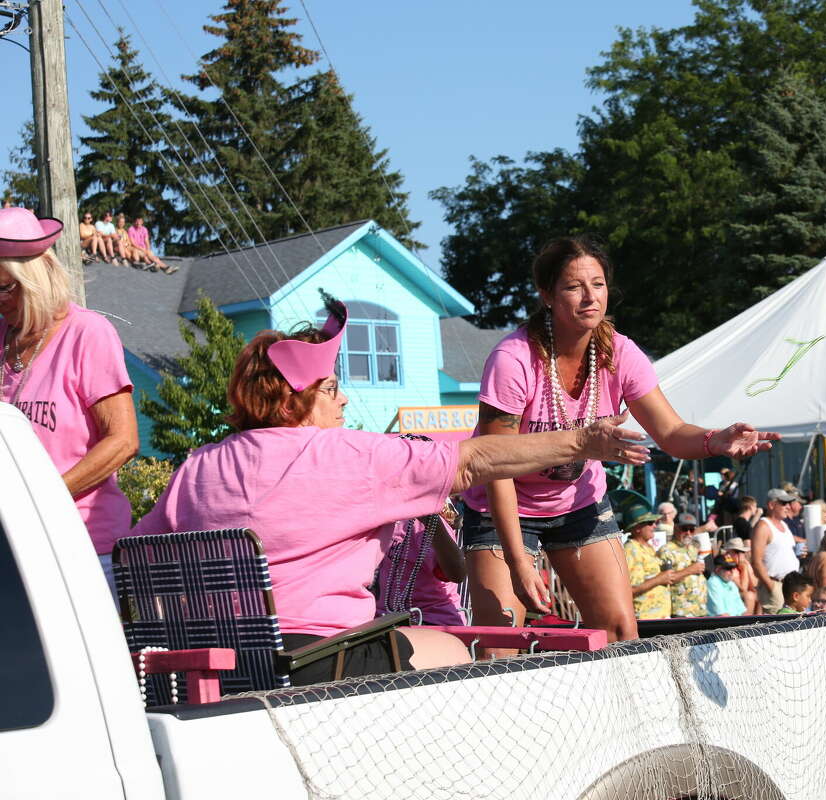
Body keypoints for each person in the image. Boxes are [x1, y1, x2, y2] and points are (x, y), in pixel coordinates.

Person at [133, 296, 652, 683]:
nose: (343, 402)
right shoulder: (347, 455)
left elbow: (133, 557)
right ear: (293, 404)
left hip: (212, 668)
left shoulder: (196, 467)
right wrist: (583, 439)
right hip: (319, 662)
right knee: (457, 653)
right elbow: (476, 460)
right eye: (331, 388)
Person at [461, 236, 779, 644]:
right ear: (546, 294)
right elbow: (493, 463)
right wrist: (518, 560)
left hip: (578, 504)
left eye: (598, 284)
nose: (589, 296)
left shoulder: (620, 353)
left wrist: (716, 440)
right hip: (501, 506)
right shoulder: (514, 359)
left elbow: (671, 432)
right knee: (500, 641)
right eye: (573, 286)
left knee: (620, 631)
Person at [0, 207, 138, 595]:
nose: (0, 301)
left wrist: (44, 500)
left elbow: (123, 440)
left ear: (36, 276)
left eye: (4, 288)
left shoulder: (86, 333)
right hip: (14, 548)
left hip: (81, 548)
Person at [376, 505, 466, 626]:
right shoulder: (386, 518)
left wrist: (430, 520)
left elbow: (457, 574)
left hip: (432, 620)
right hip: (387, 618)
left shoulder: (426, 525)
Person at [750, 487, 801, 613]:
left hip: (790, 586)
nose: (788, 507)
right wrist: (771, 587)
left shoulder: (783, 525)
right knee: (781, 628)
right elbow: (756, 561)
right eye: (784, 503)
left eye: (789, 503)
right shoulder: (763, 526)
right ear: (771, 505)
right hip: (777, 585)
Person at [624, 511, 676, 620]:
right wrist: (661, 578)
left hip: (660, 615)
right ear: (637, 528)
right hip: (646, 617)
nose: (654, 526)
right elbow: (631, 590)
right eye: (650, 523)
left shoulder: (648, 547)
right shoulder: (631, 550)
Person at [659, 511, 707, 617]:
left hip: (700, 610)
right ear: (675, 528)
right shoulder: (666, 550)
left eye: (692, 529)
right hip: (681, 612)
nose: (688, 533)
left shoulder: (693, 548)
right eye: (684, 529)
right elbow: (666, 578)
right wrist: (691, 569)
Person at [723, 537, 760, 614]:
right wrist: (744, 570)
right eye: (737, 551)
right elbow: (743, 588)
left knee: (761, 595)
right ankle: (747, 623)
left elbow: (754, 587)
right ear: (728, 553)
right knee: (749, 596)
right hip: (729, 595)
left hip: (740, 595)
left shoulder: (745, 564)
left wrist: (747, 569)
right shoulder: (727, 567)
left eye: (742, 552)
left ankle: (759, 623)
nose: (741, 554)